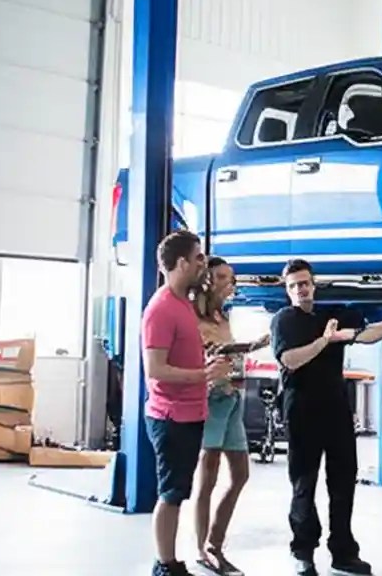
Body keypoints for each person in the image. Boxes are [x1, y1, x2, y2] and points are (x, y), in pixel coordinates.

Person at [271, 259, 382, 576]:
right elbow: (290, 360)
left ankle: (343, 552)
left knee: (343, 482)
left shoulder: (333, 315)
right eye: (294, 285)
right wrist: (325, 340)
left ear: (313, 284)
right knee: (303, 483)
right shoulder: (284, 320)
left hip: (336, 408)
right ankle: (303, 551)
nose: (300, 290)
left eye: (304, 283)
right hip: (301, 410)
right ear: (287, 290)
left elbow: (367, 334)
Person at [141, 230, 232, 576]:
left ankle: (170, 562)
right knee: (171, 493)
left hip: (190, 414)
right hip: (171, 417)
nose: (202, 264)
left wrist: (205, 363)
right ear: (181, 263)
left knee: (178, 490)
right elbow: (155, 369)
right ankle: (164, 565)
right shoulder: (161, 309)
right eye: (198, 258)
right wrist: (204, 374)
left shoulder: (183, 304)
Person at [191, 256, 270, 575]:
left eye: (232, 277)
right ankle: (202, 550)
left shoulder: (223, 317)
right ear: (208, 281)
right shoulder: (193, 317)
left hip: (232, 398)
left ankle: (215, 543)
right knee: (207, 478)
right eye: (224, 277)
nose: (231, 283)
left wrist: (252, 346)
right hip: (210, 401)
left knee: (240, 474)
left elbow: (224, 351)